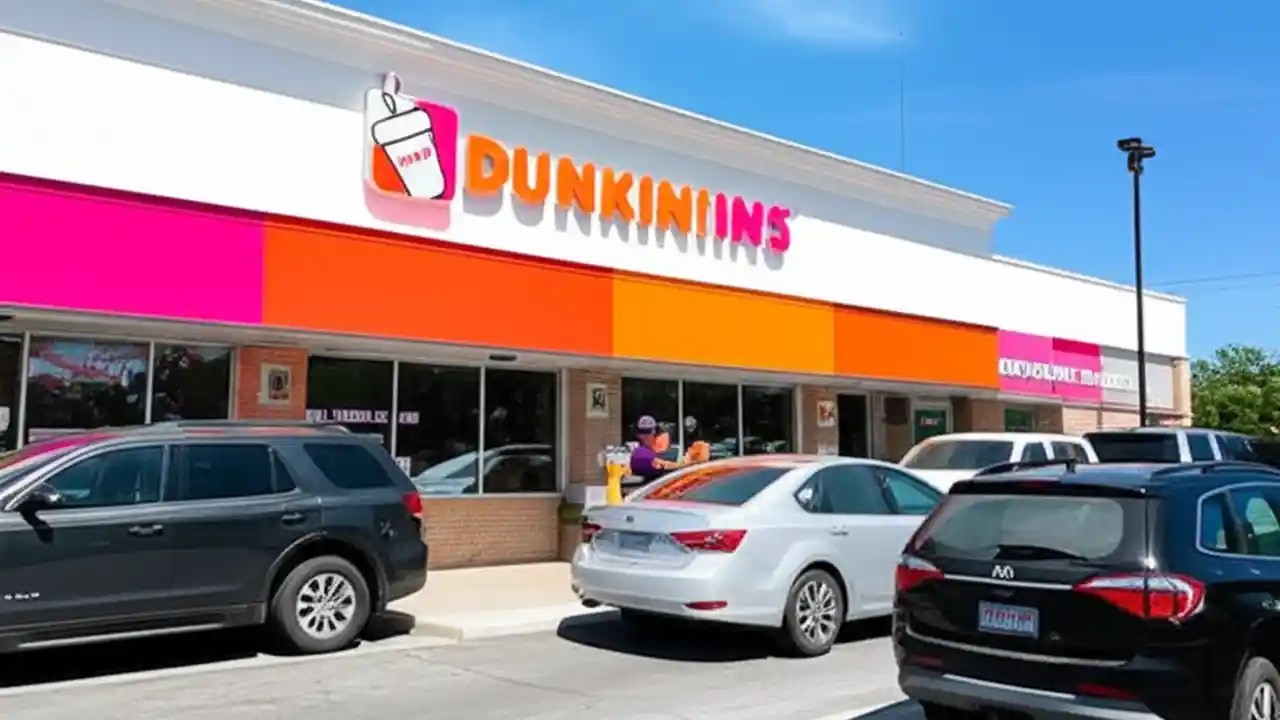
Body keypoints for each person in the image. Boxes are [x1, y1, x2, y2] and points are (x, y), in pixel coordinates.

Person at [628, 415, 687, 483]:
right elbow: (663, 465)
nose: (644, 436)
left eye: (647, 432)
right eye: (642, 432)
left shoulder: (669, 451)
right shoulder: (640, 453)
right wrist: (686, 465)